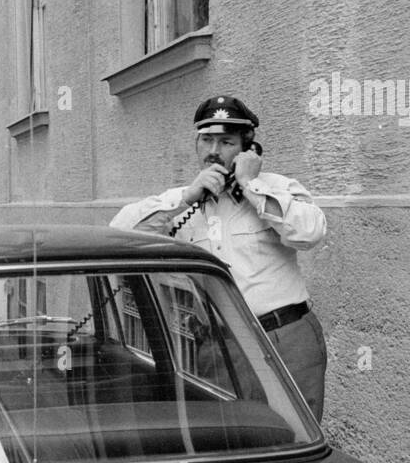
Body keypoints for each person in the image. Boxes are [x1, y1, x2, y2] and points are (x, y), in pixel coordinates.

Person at [109, 95, 328, 420]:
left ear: (247, 147)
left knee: (294, 439)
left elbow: (310, 233)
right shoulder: (185, 200)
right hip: (219, 346)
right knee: (229, 440)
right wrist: (186, 198)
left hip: (284, 339)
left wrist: (250, 186)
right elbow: (118, 236)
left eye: (226, 141)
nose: (214, 150)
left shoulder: (277, 188)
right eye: (207, 140)